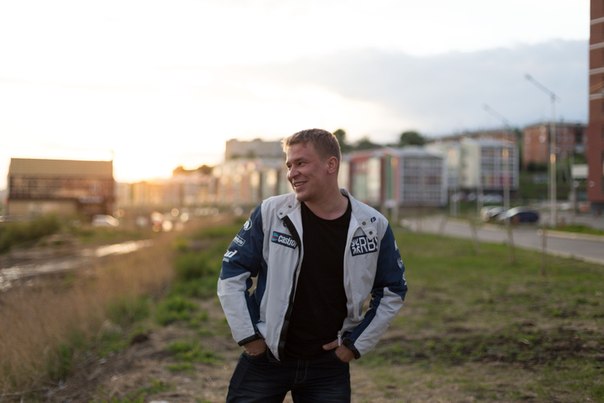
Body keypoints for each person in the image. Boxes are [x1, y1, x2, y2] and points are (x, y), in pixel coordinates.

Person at [217, 128, 408, 402]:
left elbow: (393, 289)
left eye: (301, 163)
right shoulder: (271, 213)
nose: (292, 173)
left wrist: (353, 345)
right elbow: (232, 273)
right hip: (266, 357)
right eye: (289, 165)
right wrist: (249, 337)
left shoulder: (372, 225)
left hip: (327, 366)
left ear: (331, 164)